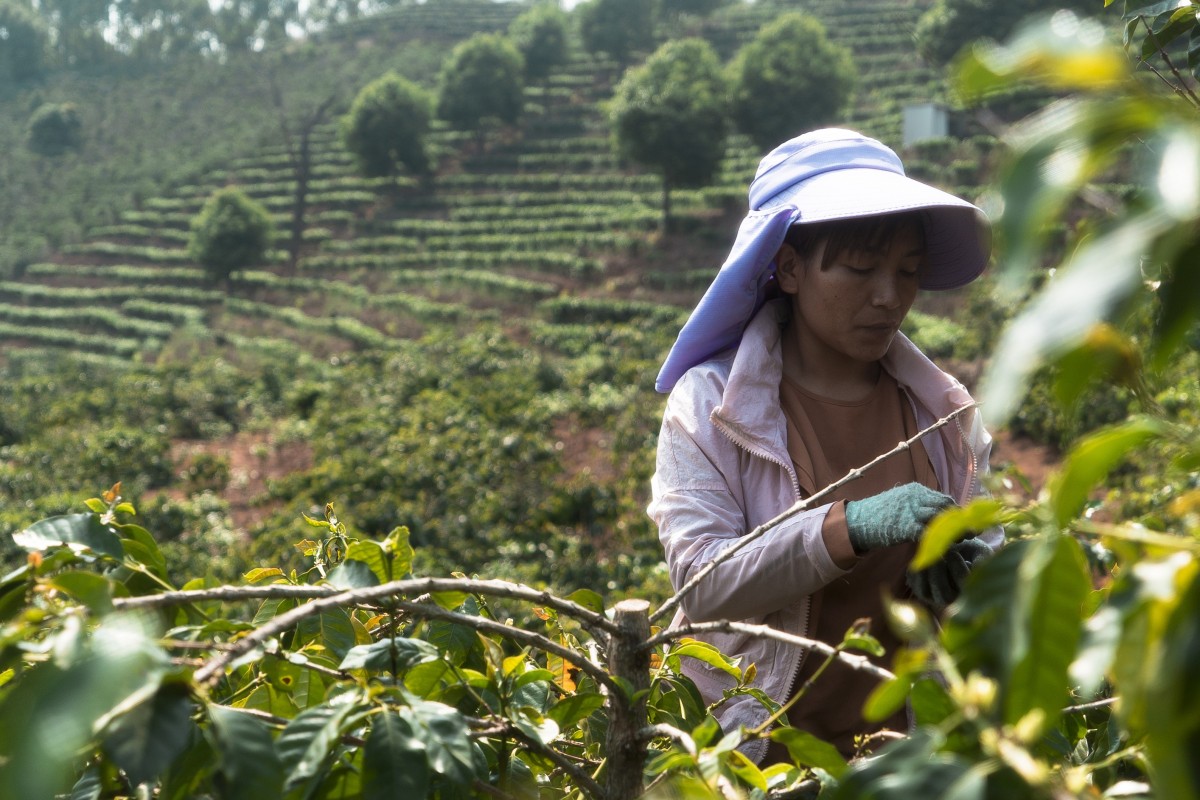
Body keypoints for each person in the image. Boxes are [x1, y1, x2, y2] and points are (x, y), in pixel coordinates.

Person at [647, 128, 1004, 763]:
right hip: (755, 762)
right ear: (787, 267)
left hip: (901, 763)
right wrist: (848, 528)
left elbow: (990, 576)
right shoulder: (712, 406)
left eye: (908, 271)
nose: (889, 296)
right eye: (861, 268)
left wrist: (972, 580)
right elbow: (699, 584)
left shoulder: (944, 414)